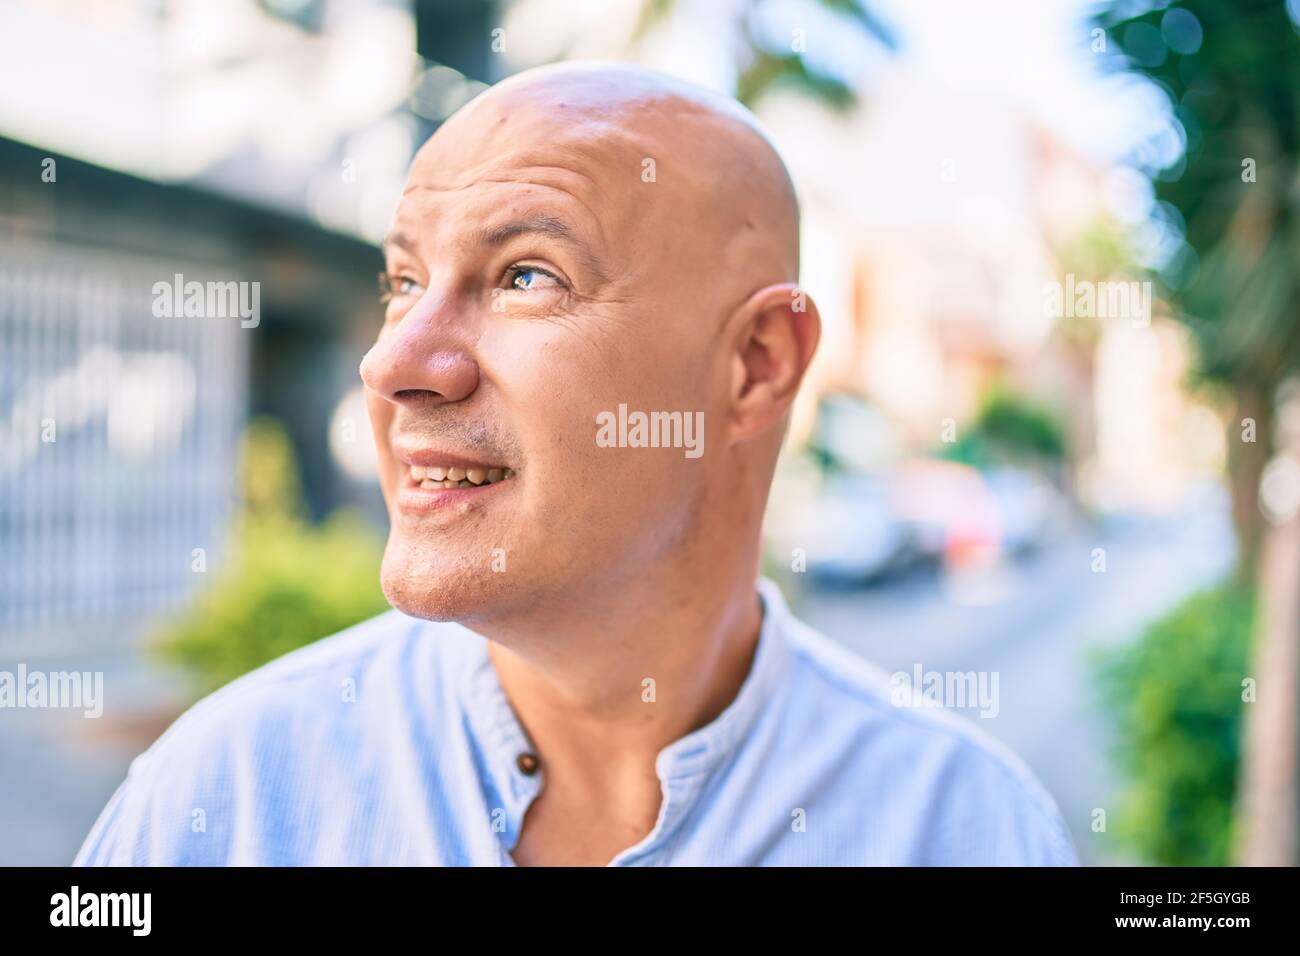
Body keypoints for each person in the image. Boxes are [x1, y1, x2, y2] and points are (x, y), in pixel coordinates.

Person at [75, 61, 1078, 866]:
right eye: (403, 280)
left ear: (755, 365)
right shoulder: (226, 796)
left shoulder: (963, 827)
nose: (392, 363)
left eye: (524, 275)